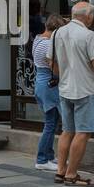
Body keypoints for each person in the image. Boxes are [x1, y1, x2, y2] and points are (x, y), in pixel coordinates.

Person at [51, 1, 94, 187]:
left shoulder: (58, 32)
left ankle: (60, 171)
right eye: (93, 15)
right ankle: (72, 174)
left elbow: (52, 63)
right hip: (84, 89)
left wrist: (66, 72)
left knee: (67, 131)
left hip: (65, 88)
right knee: (83, 133)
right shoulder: (89, 35)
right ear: (89, 16)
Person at [32, 14, 66, 171]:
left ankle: (49, 156)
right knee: (51, 123)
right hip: (49, 84)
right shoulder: (47, 44)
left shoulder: (38, 39)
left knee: (51, 121)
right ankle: (42, 159)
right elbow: (54, 66)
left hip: (41, 81)